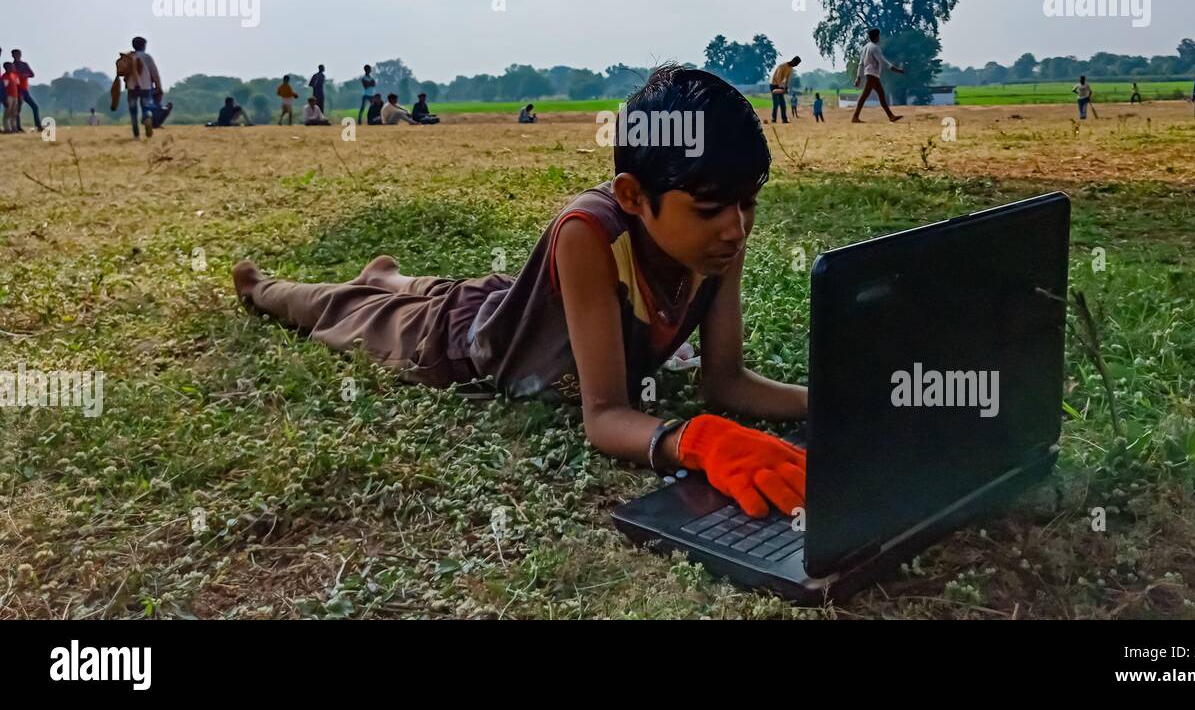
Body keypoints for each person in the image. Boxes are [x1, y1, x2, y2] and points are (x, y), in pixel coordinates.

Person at [232, 66, 807, 519]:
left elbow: (725, 381)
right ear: (632, 196)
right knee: (345, 312)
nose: (736, 226)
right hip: (462, 343)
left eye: (747, 202)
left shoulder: (719, 237)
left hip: (514, 300)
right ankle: (266, 288)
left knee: (463, 294)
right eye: (710, 209)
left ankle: (390, 277)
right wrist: (695, 440)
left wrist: (834, 400)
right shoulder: (589, 232)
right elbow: (605, 415)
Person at [851, 30, 905, 123]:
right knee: (867, 95)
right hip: (873, 74)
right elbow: (883, 61)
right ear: (876, 37)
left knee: (880, 95)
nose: (879, 38)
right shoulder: (875, 48)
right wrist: (897, 70)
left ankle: (891, 116)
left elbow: (861, 63)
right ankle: (855, 117)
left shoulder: (865, 47)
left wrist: (858, 76)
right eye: (879, 36)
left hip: (870, 73)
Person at [124, 36, 168, 138]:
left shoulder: (129, 57)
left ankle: (136, 134)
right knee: (146, 107)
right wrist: (158, 87)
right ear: (144, 46)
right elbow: (155, 73)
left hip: (131, 87)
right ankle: (147, 117)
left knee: (133, 111)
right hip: (146, 86)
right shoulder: (147, 57)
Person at [10, 49, 39, 131]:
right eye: (15, 54)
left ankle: (38, 125)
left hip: (24, 89)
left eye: (19, 54)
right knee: (17, 109)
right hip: (16, 89)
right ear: (13, 55)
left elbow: (32, 74)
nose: (17, 56)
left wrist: (23, 75)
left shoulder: (24, 64)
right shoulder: (11, 66)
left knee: (35, 107)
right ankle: (18, 127)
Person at [769, 56, 801, 123]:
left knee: (783, 103)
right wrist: (780, 86)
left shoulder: (790, 69)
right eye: (796, 64)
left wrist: (786, 87)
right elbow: (778, 77)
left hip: (780, 86)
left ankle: (784, 119)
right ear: (793, 61)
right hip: (774, 85)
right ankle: (773, 119)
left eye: (797, 65)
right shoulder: (782, 66)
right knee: (776, 103)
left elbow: (787, 79)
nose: (796, 65)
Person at [1, 61, 20, 133]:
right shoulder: (4, 77)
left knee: (14, 113)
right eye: (11, 67)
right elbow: (3, 89)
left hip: (15, 96)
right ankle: (7, 128)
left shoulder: (15, 76)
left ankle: (14, 128)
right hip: (8, 96)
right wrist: (4, 99)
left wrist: (19, 96)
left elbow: (18, 86)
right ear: (6, 68)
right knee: (7, 113)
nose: (13, 68)